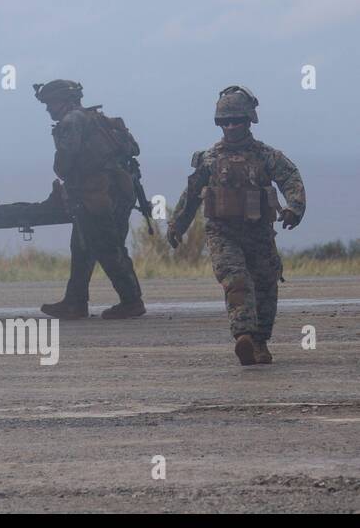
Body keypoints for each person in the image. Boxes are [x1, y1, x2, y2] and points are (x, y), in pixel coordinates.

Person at [167, 86, 305, 366]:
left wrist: (294, 209)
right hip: (222, 233)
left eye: (236, 120)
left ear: (249, 120)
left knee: (265, 285)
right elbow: (191, 194)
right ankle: (243, 335)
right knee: (236, 280)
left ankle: (260, 342)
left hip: (259, 233)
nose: (230, 127)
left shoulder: (268, 156)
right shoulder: (209, 158)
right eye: (224, 121)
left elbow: (291, 179)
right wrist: (176, 225)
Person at [33, 80, 146, 320]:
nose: (48, 109)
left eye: (51, 103)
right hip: (115, 192)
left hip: (95, 195)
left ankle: (131, 301)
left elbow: (64, 162)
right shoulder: (96, 118)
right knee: (82, 248)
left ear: (64, 100)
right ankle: (75, 302)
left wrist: (65, 172)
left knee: (107, 247)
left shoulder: (72, 121)